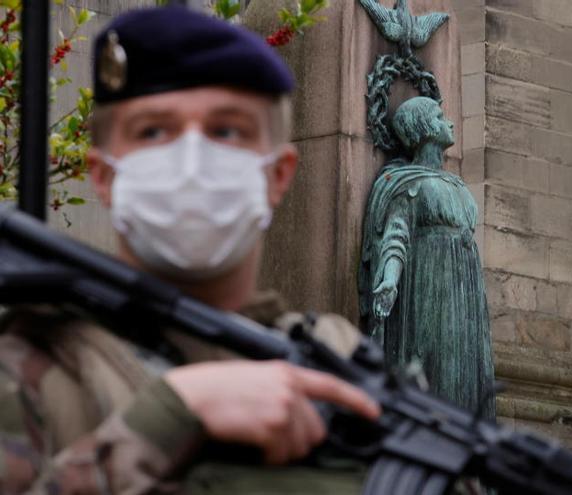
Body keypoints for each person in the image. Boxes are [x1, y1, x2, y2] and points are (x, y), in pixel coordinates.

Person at [0, 6, 380, 494]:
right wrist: (166, 419)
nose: (191, 162)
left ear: (278, 174)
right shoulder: (27, 372)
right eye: (154, 131)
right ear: (104, 176)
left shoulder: (346, 369)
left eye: (226, 131)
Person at [358, 96, 495, 419]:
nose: (448, 121)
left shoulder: (457, 185)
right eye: (439, 116)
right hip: (429, 282)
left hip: (464, 288)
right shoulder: (405, 183)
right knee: (436, 363)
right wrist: (389, 280)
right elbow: (396, 235)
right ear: (422, 129)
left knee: (462, 364)